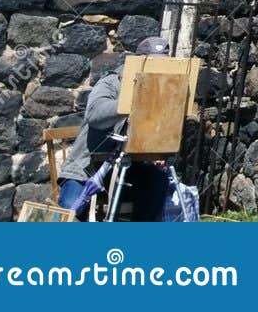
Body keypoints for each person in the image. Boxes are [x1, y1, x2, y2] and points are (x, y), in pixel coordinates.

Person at [57, 36, 174, 220]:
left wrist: (156, 153)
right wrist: (130, 101)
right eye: (151, 63)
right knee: (72, 210)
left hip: (127, 167)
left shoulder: (161, 89)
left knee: (157, 182)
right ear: (139, 61)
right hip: (88, 168)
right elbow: (95, 115)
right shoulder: (111, 82)